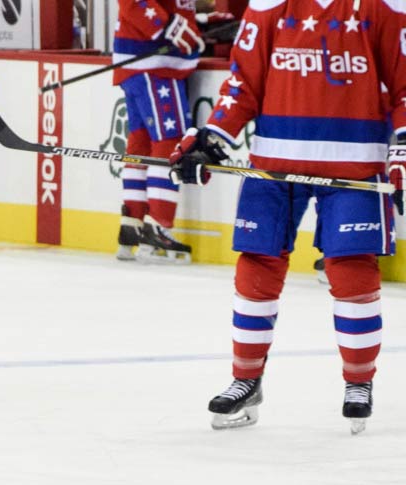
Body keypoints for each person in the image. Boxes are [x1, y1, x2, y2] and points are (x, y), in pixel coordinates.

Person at [171, 0, 406, 434]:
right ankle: (246, 380)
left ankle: (358, 382)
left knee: (352, 269)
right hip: (274, 161)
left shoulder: (384, 5)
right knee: (257, 264)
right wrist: (213, 137)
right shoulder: (269, 4)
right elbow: (244, 84)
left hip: (353, 162)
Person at [112, 0, 207, 263]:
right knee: (170, 141)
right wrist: (170, 27)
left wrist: (199, 21)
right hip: (154, 63)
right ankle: (157, 227)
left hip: (144, 61)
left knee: (140, 143)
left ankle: (131, 224)